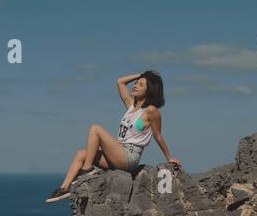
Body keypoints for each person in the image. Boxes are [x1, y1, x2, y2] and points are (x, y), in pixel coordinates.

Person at [46, 70, 181, 203]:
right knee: (81, 154)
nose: (135, 86)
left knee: (95, 129)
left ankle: (87, 171)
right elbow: (120, 82)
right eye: (136, 83)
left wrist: (169, 158)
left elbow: (158, 135)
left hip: (129, 157)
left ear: (149, 90)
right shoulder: (131, 106)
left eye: (141, 85)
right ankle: (64, 188)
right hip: (118, 154)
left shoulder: (151, 110)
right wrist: (142, 75)